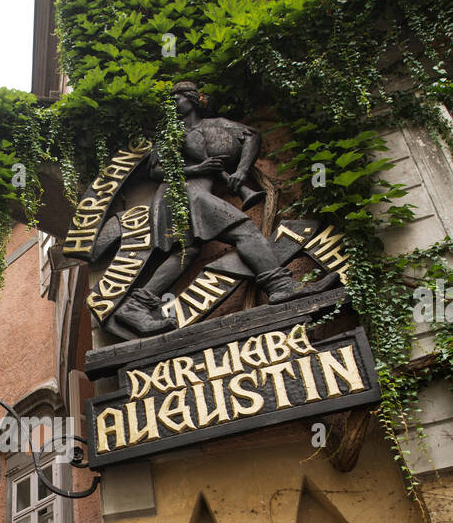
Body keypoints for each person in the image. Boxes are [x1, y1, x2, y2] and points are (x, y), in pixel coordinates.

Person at [107, 80, 338, 338]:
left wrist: (240, 172)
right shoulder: (171, 133)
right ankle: (281, 286)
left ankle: (136, 307)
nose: (173, 104)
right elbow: (155, 170)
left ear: (193, 99)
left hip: (195, 194)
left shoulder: (214, 125)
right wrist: (198, 169)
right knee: (244, 230)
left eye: (178, 98)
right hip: (181, 193)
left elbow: (251, 136)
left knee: (186, 253)